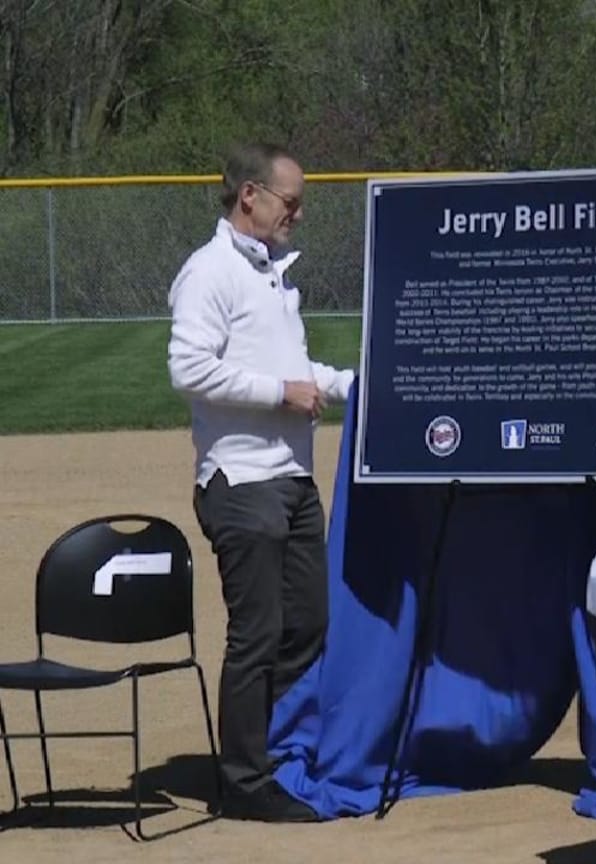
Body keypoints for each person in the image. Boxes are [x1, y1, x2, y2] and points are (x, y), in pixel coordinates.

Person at [167, 143, 354, 822]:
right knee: (258, 632)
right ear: (250, 195)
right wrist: (280, 393)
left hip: (292, 479)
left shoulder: (272, 276)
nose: (296, 214)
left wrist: (361, 385)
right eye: (289, 201)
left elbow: (297, 369)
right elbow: (188, 369)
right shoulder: (209, 272)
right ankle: (245, 783)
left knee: (307, 622)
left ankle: (272, 747)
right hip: (242, 480)